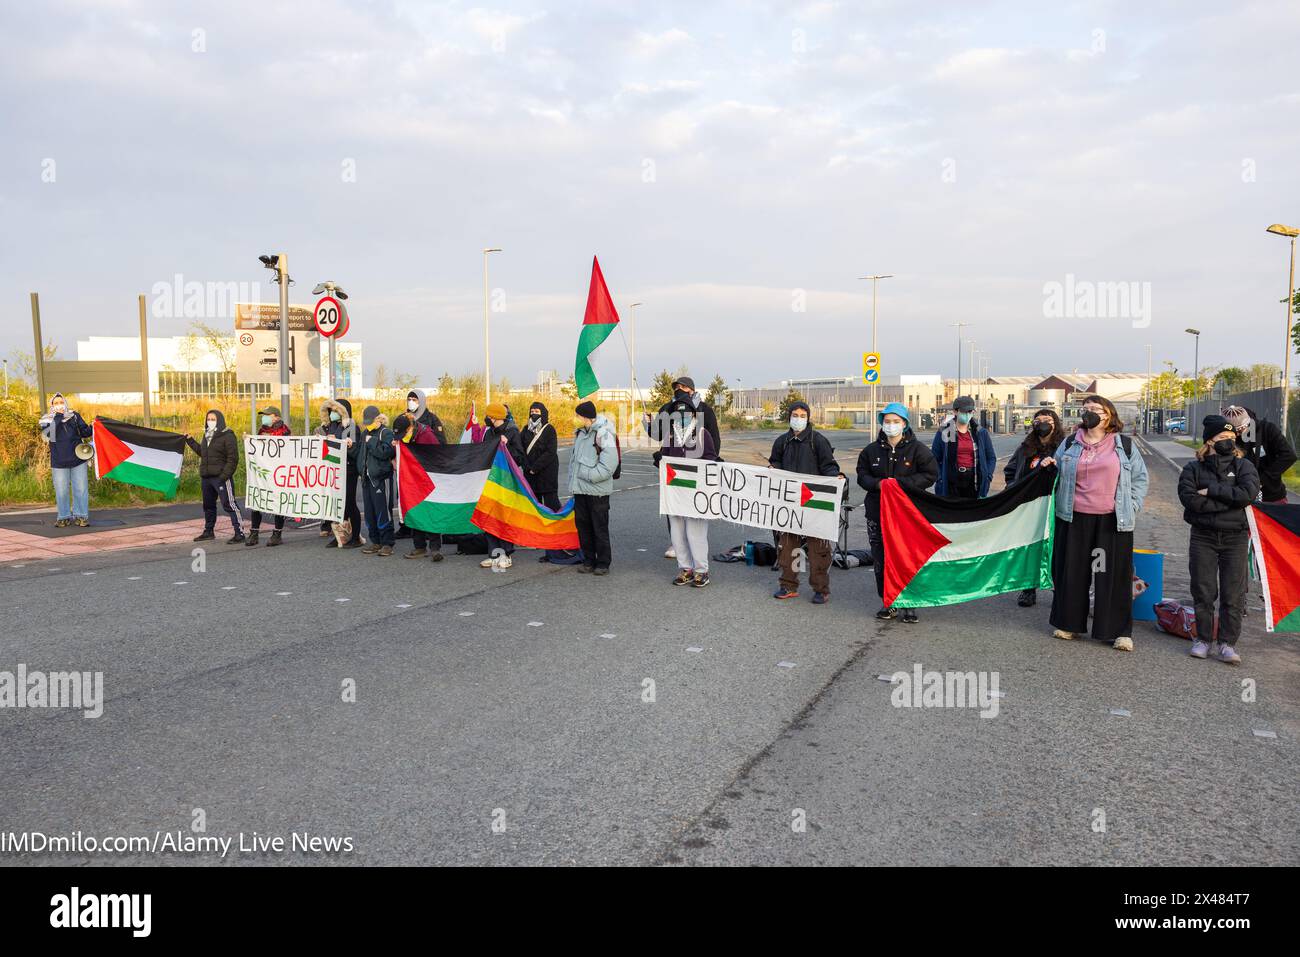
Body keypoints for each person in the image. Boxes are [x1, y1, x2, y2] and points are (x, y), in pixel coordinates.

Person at [1044, 395, 1149, 651]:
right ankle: (1069, 624)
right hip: (1074, 517)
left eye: (1095, 409)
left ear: (1108, 415)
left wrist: (1131, 507)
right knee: (1072, 572)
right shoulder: (1069, 443)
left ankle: (1117, 631)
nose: (1088, 412)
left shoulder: (1123, 444)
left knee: (1111, 576)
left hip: (1111, 521)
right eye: (1085, 409)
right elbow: (1056, 473)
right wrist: (1048, 466)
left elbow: (1140, 478)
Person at [1178, 415, 1260, 665]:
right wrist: (1228, 502)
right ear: (1210, 441)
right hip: (1203, 536)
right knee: (1203, 590)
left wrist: (1212, 491)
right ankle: (1203, 639)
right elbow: (1190, 501)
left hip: (1235, 537)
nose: (1228, 442)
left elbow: (1247, 494)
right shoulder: (1193, 469)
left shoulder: (1244, 466)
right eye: (1222, 438)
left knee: (1232, 593)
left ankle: (1227, 643)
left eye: (1231, 438)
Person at [856, 402, 938, 622]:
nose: (891, 425)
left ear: (904, 423)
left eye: (896, 421)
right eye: (887, 421)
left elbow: (931, 474)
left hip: (908, 515)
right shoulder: (870, 451)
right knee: (881, 558)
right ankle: (889, 601)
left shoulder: (918, 449)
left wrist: (901, 484)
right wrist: (879, 484)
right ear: (882, 423)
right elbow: (861, 475)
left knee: (907, 558)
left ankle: (909, 603)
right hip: (877, 512)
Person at [770, 401, 840, 604]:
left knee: (818, 548)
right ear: (789, 417)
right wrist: (773, 468)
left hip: (813, 501)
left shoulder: (818, 441)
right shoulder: (782, 441)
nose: (798, 419)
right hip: (789, 503)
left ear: (808, 417)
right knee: (788, 546)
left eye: (802, 415)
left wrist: (834, 480)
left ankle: (820, 589)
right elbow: (775, 462)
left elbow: (829, 466)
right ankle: (788, 585)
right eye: (795, 415)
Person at [647, 375, 721, 558]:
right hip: (674, 468)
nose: (679, 390)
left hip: (696, 467)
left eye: (683, 387)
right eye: (677, 387)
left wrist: (709, 465)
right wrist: (648, 425)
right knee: (674, 505)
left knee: (694, 508)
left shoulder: (704, 410)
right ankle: (676, 543)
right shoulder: (667, 408)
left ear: (692, 390)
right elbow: (659, 434)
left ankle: (696, 546)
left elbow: (714, 438)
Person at [1003, 408, 1065, 607]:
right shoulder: (1025, 447)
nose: (1042, 423)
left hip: (1053, 506)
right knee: (1030, 547)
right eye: (1037, 420)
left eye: (1047, 420)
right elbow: (1011, 470)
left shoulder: (1065, 446)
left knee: (1054, 548)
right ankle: (1028, 589)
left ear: (1055, 423)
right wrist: (1014, 488)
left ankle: (1059, 588)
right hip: (1029, 506)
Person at [662, 399, 719, 587]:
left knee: (695, 533)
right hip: (676, 492)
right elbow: (665, 458)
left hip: (696, 494)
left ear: (694, 415)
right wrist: (659, 459)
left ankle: (701, 570)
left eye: (686, 414)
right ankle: (685, 568)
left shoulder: (703, 435)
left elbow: (711, 459)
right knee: (677, 534)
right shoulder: (671, 436)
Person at [569, 400, 618, 575]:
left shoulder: (603, 433)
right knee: (583, 527)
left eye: (577, 416)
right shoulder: (581, 433)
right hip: (580, 490)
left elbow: (610, 462)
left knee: (599, 528)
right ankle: (589, 561)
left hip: (597, 491)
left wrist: (590, 476)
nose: (575, 418)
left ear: (585, 417)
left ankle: (603, 563)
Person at [185, 409, 244, 544]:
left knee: (229, 504)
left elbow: (233, 459)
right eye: (208, 419)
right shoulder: (206, 435)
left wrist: (224, 476)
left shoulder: (227, 435)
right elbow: (203, 453)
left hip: (221, 477)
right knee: (208, 505)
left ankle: (239, 533)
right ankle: (209, 531)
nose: (210, 421)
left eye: (213, 419)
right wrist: (190, 441)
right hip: (206, 477)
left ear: (220, 420)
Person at [479, 402, 525, 570]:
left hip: (506, 482)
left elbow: (519, 457)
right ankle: (494, 553)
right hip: (490, 481)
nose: (487, 419)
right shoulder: (488, 433)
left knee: (504, 516)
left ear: (496, 417)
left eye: (489, 416)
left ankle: (506, 553)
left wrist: (506, 447)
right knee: (490, 515)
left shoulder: (512, 432)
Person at [393, 410, 444, 562]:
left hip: (429, 479)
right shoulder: (404, 437)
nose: (401, 438)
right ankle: (419, 547)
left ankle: (435, 548)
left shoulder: (426, 435)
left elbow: (436, 455)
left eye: (402, 434)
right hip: (412, 481)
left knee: (431, 513)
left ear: (409, 428)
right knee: (415, 510)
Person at [1223, 405, 1295, 504]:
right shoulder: (1224, 437)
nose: (1237, 435)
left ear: (1247, 423)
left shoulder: (1267, 429)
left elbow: (1289, 456)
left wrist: (1262, 480)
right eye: (1233, 432)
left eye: (1240, 430)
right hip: (1236, 495)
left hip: (1271, 496)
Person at [41, 393, 93, 528]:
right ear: (52, 405)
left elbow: (85, 432)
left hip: (78, 459)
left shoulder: (74, 416)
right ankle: (63, 517)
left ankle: (81, 516)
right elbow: (49, 435)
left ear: (65, 402)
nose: (59, 405)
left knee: (81, 489)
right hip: (59, 461)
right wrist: (58, 417)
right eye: (56, 403)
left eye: (61, 401)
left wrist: (94, 426)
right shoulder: (47, 420)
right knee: (61, 490)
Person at [315, 398, 362, 548]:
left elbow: (354, 450)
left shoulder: (352, 427)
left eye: (336, 411)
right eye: (331, 411)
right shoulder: (333, 426)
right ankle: (341, 535)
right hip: (336, 469)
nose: (333, 414)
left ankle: (355, 537)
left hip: (349, 470)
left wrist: (342, 444)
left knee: (349, 503)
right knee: (339, 505)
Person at [931, 395, 996, 499]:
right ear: (955, 412)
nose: (967, 415)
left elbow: (991, 457)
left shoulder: (979, 432)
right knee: (952, 513)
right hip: (951, 482)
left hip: (974, 480)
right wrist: (940, 478)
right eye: (964, 412)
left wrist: (987, 476)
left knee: (973, 513)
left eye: (970, 412)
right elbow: (934, 458)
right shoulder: (946, 431)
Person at [246, 406, 291, 546]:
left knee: (277, 501)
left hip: (278, 472)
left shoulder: (285, 431)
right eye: (263, 415)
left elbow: (287, 449)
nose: (263, 417)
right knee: (258, 499)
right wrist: (249, 440)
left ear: (276, 417)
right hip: (263, 472)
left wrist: (271, 439)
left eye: (267, 415)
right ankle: (254, 532)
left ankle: (277, 533)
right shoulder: (262, 431)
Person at [358, 405, 397, 556]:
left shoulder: (386, 433)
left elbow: (387, 452)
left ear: (378, 419)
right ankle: (375, 541)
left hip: (381, 478)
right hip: (367, 478)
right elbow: (361, 454)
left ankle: (387, 543)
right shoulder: (364, 433)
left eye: (370, 421)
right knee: (369, 512)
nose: (368, 425)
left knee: (383, 511)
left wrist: (372, 442)